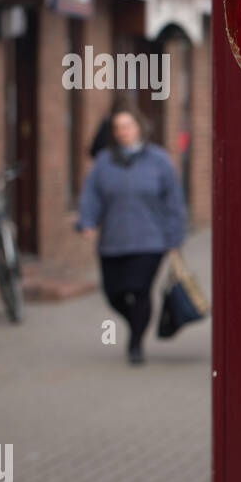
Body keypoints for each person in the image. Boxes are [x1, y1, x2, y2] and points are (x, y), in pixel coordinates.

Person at [75, 101, 187, 364]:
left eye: (127, 126)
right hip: (113, 241)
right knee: (113, 294)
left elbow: (174, 202)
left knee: (139, 292)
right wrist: (87, 221)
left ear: (140, 128)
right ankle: (137, 322)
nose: (123, 131)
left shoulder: (159, 160)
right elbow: (90, 195)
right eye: (118, 127)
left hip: (150, 241)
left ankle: (135, 345)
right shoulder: (104, 162)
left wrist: (174, 237)